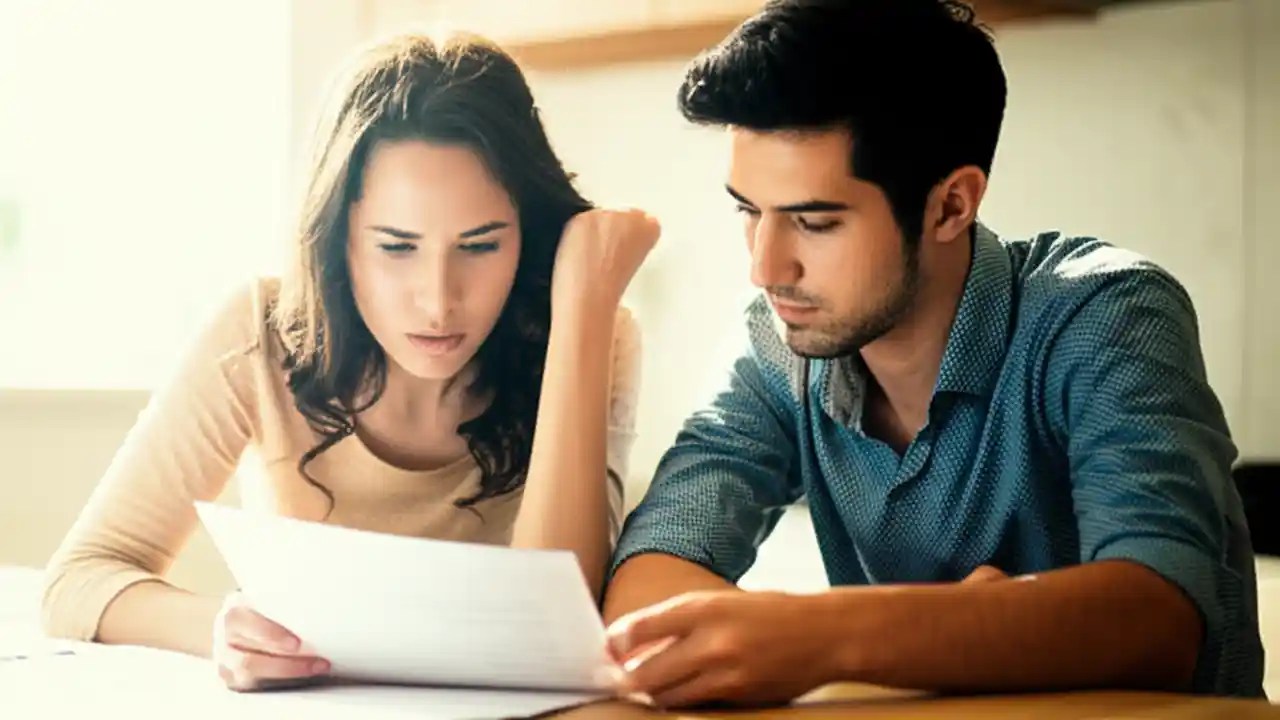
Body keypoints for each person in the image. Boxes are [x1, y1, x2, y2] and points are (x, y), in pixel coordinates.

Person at [601, 0, 1262, 708]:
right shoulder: (776, 342)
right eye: (748, 211)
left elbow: (1158, 617)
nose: (767, 268)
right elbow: (644, 589)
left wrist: (819, 636)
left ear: (951, 205)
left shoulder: (1106, 312)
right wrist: (967, 627)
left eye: (815, 222)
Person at [42, 32, 658, 692]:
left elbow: (558, 627)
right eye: (397, 247)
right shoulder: (262, 331)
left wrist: (583, 311)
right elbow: (80, 577)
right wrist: (222, 629)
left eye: (479, 246)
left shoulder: (591, 332)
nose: (438, 302)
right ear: (339, 241)